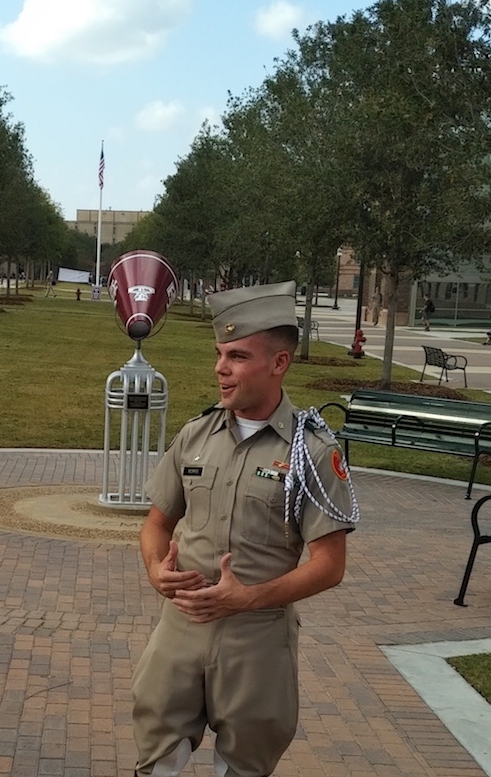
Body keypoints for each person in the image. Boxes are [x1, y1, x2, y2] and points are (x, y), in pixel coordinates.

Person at [131, 281, 359, 777]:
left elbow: (330, 566)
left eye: (237, 355)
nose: (220, 367)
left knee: (244, 766)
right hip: (182, 626)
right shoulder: (196, 434)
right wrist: (155, 570)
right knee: (156, 760)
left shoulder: (313, 451)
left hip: (257, 638)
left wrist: (249, 598)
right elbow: (156, 523)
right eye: (219, 354)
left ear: (278, 363)